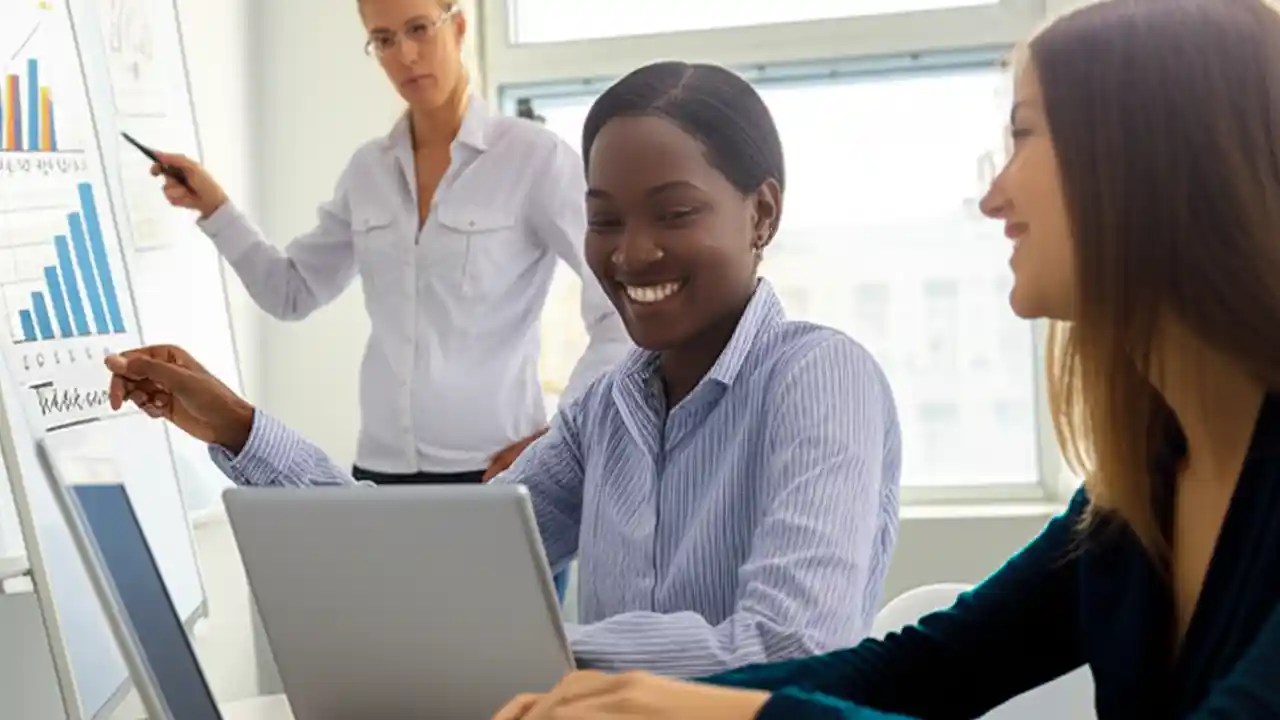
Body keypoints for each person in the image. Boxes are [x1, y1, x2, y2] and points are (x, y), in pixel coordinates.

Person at [487, 0, 1280, 717]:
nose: (994, 196)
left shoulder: (815, 374)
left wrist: (729, 712)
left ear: (1152, 160)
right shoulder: (1136, 488)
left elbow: (799, 643)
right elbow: (931, 667)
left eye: (1024, 136)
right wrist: (648, 699)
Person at [106, 61, 902, 677]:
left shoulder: (820, 378)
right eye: (604, 219)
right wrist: (236, 426)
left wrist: (524, 652)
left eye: (675, 213)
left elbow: (789, 645)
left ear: (762, 213)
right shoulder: (606, 412)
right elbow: (433, 563)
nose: (630, 253)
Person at [149, 0, 628, 487]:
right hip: (380, 471)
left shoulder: (535, 158)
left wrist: (560, 437)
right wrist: (215, 208)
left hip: (497, 470)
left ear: (458, 27)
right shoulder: (368, 171)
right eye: (383, 40)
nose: (405, 55)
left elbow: (618, 311)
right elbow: (290, 293)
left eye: (419, 29)